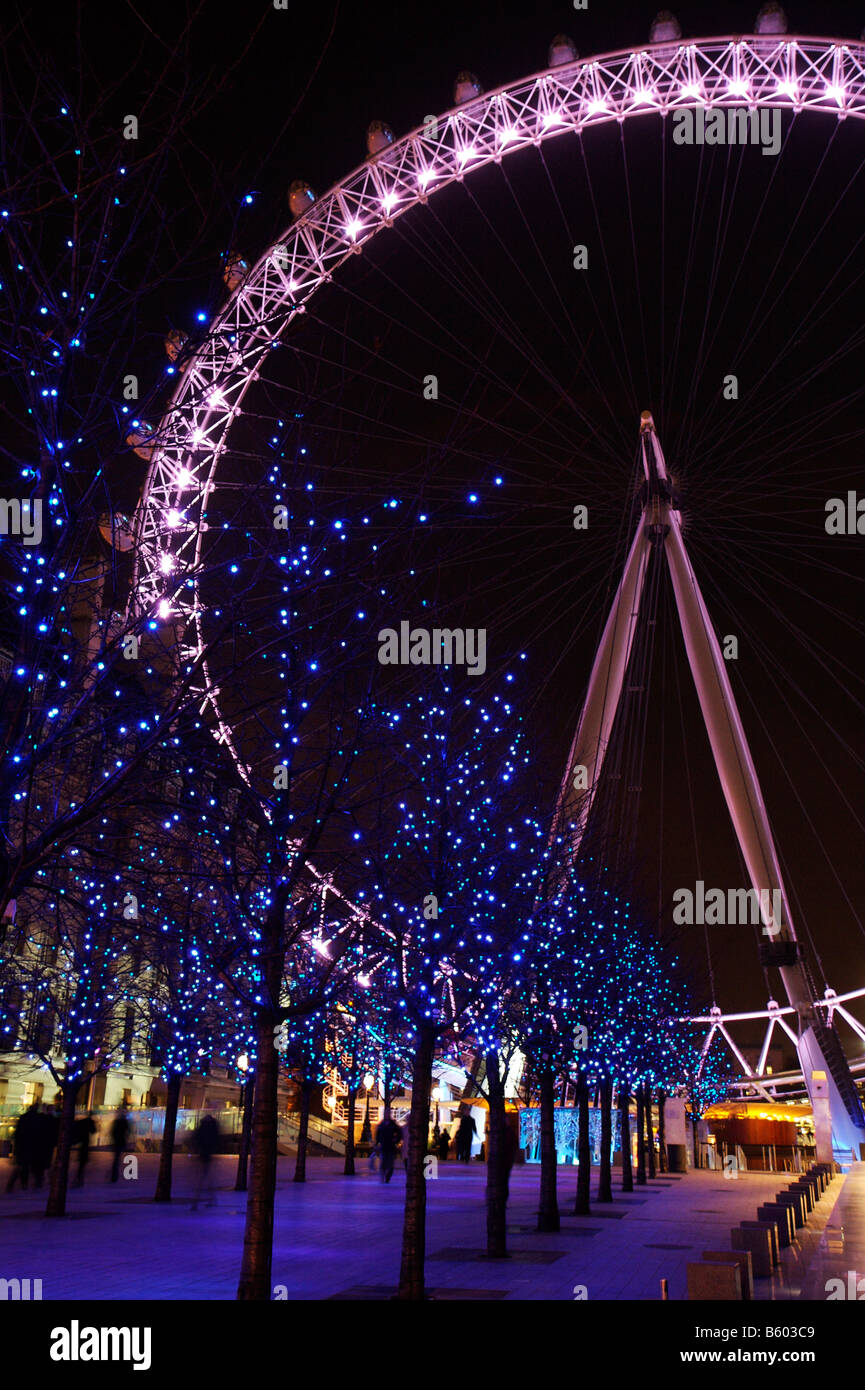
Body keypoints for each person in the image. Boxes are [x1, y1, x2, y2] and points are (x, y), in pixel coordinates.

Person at [5, 1103, 40, 1192]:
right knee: (31, 1167)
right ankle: (32, 1183)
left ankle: (15, 1184)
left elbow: (18, 1134)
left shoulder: (24, 1118)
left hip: (23, 1147)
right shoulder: (37, 1119)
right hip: (32, 1147)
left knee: (21, 1166)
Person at [190, 1113, 220, 1210]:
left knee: (201, 1178)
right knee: (205, 1177)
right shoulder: (212, 1129)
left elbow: (196, 1138)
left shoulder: (203, 1128)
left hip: (203, 1154)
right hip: (206, 1154)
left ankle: (198, 1201)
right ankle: (210, 1199)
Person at [375, 1108, 402, 1184]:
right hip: (383, 1147)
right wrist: (377, 1143)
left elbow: (399, 1133)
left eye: (387, 1113)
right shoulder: (381, 1124)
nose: (386, 1115)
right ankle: (383, 1175)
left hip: (391, 1147)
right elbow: (378, 1135)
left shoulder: (393, 1124)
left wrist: (396, 1141)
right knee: (383, 1163)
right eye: (385, 1113)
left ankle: (388, 1176)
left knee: (390, 1164)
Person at [72, 1112, 97, 1188]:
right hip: (85, 1144)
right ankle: (79, 1178)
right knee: (82, 1163)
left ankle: (78, 1178)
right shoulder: (90, 1122)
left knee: (81, 1162)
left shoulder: (82, 1122)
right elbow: (93, 1131)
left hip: (81, 1143)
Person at [109, 1106, 131, 1183]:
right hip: (121, 1142)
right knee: (117, 1158)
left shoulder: (116, 1122)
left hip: (117, 1142)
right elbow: (128, 1131)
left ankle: (114, 1174)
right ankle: (114, 1174)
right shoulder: (124, 1122)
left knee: (116, 1158)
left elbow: (112, 1132)